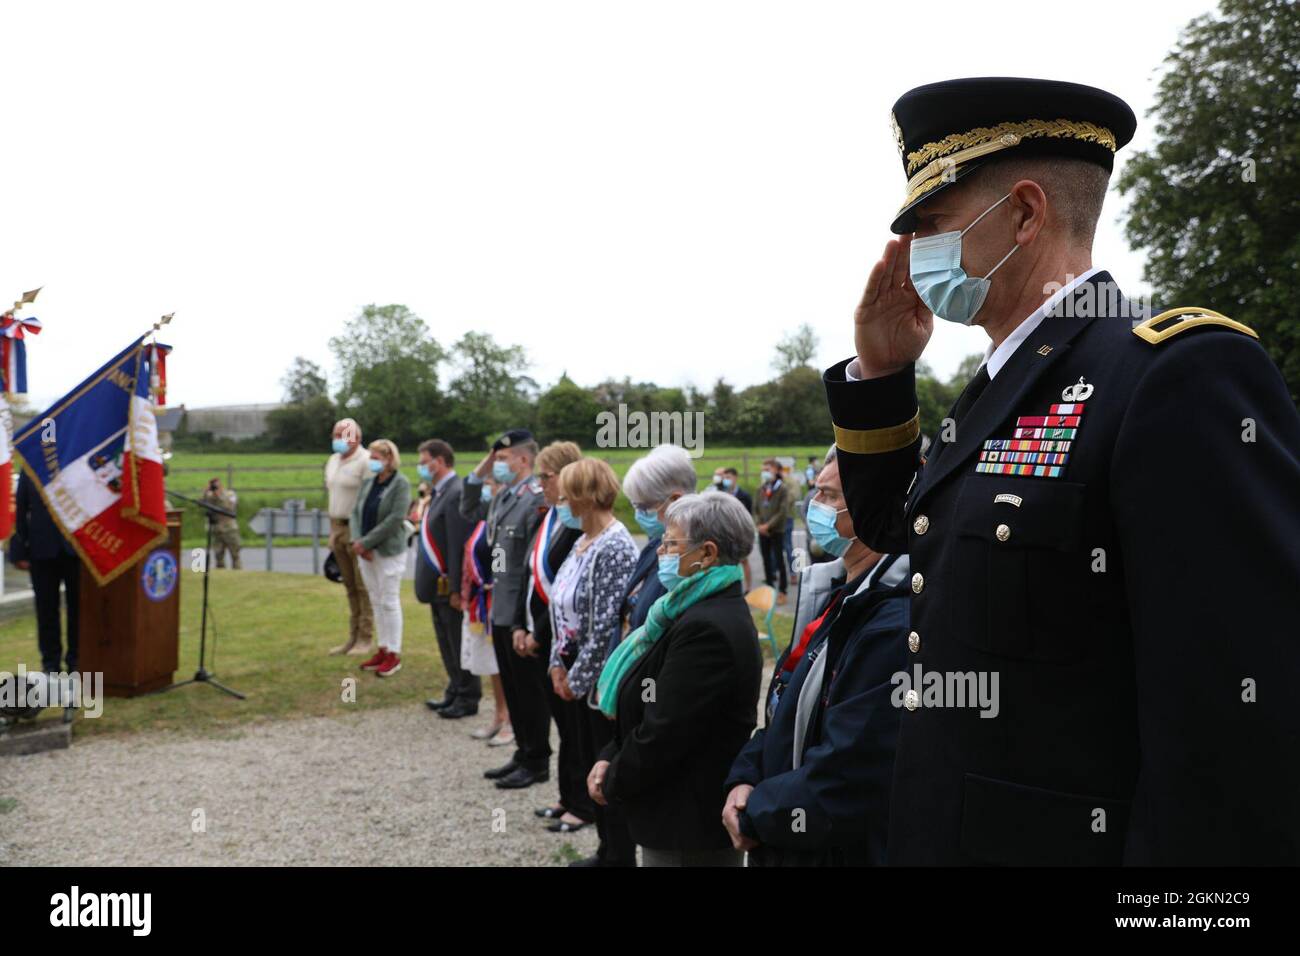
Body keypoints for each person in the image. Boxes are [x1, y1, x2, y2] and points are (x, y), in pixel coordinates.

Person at [825, 77, 1300, 865]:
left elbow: (1237, 724)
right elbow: (903, 535)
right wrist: (880, 376)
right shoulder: (999, 385)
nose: (914, 254)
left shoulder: (1173, 374)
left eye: (933, 224)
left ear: (1023, 212)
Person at [722, 447, 910, 865]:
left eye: (828, 497)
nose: (814, 507)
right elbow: (783, 710)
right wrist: (745, 777)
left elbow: (848, 772)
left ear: (876, 508)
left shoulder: (893, 623)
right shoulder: (838, 590)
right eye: (815, 493)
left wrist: (757, 812)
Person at [587, 491, 761, 867]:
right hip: (673, 811)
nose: (662, 552)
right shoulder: (684, 609)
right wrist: (610, 754)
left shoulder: (708, 627)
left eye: (671, 544)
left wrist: (613, 777)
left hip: (687, 823)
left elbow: (666, 730)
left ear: (708, 554)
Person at [547, 457, 637, 839]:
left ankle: (614, 852)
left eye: (567, 496)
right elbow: (560, 603)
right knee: (583, 757)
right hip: (571, 664)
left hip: (597, 676)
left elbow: (604, 625)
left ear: (586, 497)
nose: (561, 503)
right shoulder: (583, 540)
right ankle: (604, 847)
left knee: (603, 766)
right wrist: (556, 661)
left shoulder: (614, 545)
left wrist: (578, 679)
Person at [460, 429, 550, 790]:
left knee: (528, 690)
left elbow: (533, 564)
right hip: (499, 607)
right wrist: (484, 464)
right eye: (495, 459)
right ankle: (522, 752)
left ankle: (537, 759)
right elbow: (467, 506)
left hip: (519, 610)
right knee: (513, 688)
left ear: (523, 460)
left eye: (502, 458)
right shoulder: (502, 496)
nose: (497, 464)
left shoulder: (535, 499)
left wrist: (525, 620)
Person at [521, 441, 586, 828]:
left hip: (560, 640)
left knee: (575, 727)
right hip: (545, 639)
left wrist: (538, 632)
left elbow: (563, 592)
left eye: (545, 476)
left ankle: (582, 803)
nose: (540, 483)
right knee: (563, 726)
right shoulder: (552, 517)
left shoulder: (575, 524)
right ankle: (568, 796)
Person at [414, 439, 478, 718]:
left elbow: (457, 545)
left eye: (423, 461)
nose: (420, 467)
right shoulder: (438, 492)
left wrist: (456, 588)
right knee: (445, 641)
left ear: (438, 462)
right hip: (435, 586)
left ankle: (468, 696)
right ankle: (454, 689)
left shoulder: (456, 492)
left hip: (448, 585)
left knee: (456, 639)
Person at [350, 439, 411, 678]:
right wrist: (358, 540)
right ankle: (382, 647)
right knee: (375, 600)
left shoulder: (400, 484)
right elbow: (356, 512)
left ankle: (394, 654)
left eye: (376, 458)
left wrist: (367, 542)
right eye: (371, 457)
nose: (372, 462)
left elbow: (395, 518)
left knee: (389, 601)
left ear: (388, 459)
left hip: (388, 551)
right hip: (365, 552)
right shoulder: (368, 483)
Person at [9, 473, 79, 674]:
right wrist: (19, 550)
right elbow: (20, 508)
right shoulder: (32, 461)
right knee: (46, 611)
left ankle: (77, 660)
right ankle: (50, 664)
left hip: (76, 550)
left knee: (78, 610)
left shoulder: (76, 454)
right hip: (41, 549)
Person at [459, 488, 512, 746]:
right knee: (491, 663)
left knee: (506, 664)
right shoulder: (484, 523)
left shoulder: (507, 522)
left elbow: (504, 560)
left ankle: (513, 720)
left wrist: (497, 582)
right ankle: (499, 714)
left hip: (499, 601)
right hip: (481, 603)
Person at [324, 418, 374, 656]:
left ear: (357, 437)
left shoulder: (365, 461)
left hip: (357, 528)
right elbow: (332, 494)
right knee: (349, 586)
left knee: (363, 586)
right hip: (338, 526)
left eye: (343, 435)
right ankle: (351, 636)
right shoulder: (333, 460)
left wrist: (365, 536)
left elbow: (369, 499)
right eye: (335, 435)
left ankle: (365, 638)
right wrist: (332, 530)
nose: (338, 440)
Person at [753, 458, 795, 604]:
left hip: (777, 530)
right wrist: (759, 525)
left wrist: (768, 526)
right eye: (763, 470)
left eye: (768, 469)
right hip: (762, 531)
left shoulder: (782, 489)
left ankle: (782, 591)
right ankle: (769, 588)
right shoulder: (761, 489)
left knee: (779, 559)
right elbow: (756, 509)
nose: (765, 472)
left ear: (776, 470)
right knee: (766, 560)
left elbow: (782, 511)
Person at [201, 477, 241, 569]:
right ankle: (221, 572)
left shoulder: (230, 494)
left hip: (230, 529)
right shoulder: (210, 496)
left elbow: (229, 507)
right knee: (218, 555)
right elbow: (202, 503)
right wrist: (205, 492)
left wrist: (219, 495)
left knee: (235, 555)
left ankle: (238, 572)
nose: (215, 487)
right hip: (217, 529)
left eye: (216, 484)